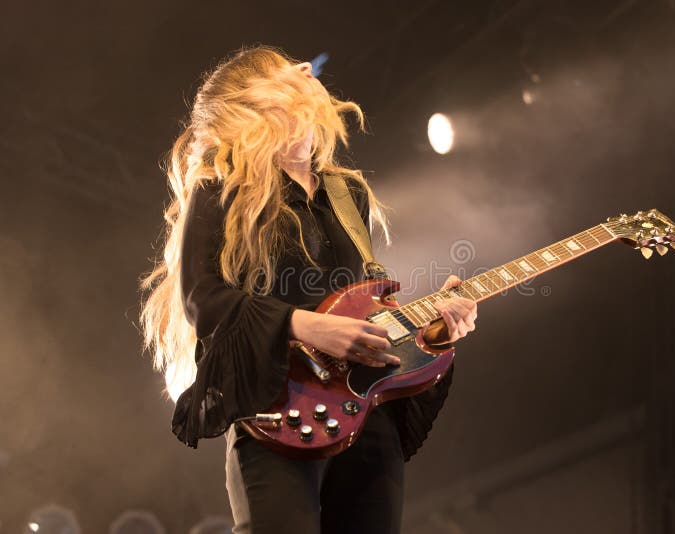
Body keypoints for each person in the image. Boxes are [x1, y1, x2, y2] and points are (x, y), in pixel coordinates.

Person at [139, 45, 477, 534]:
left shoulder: (347, 192)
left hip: (364, 409)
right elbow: (202, 301)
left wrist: (432, 332)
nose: (303, 67)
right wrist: (305, 325)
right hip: (275, 406)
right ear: (249, 102)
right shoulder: (219, 191)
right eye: (282, 68)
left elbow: (363, 305)